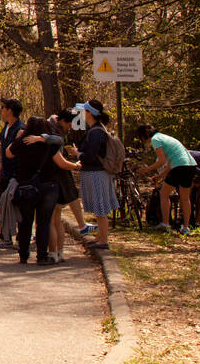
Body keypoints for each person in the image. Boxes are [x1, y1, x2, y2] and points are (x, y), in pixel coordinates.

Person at [6, 116, 82, 265]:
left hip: (26, 187)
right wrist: (76, 166)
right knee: (43, 222)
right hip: (48, 187)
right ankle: (42, 255)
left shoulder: (22, 142)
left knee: (25, 222)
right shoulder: (50, 144)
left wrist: (17, 138)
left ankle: (23, 254)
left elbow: (8, 153)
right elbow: (61, 163)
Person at [69, 99, 120, 251]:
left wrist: (77, 153)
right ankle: (100, 237)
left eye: (84, 111)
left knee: (101, 207)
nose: (82, 114)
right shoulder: (95, 130)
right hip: (93, 173)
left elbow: (90, 155)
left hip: (97, 173)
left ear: (90, 113)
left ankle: (103, 240)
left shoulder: (97, 132)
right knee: (99, 208)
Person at [134, 124, 200, 234]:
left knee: (163, 194)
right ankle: (186, 227)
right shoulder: (165, 138)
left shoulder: (155, 139)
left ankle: (165, 224)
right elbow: (170, 163)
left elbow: (162, 161)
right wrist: (160, 176)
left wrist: (147, 169)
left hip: (179, 167)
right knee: (185, 198)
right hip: (190, 166)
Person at [0, 97, 25, 248]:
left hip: (17, 174)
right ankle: (4, 236)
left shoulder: (21, 129)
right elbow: (3, 151)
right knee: (2, 203)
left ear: (10, 111)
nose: (1, 111)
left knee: (17, 204)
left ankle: (20, 237)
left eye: (3, 108)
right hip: (5, 172)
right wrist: (0, 169)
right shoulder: (6, 128)